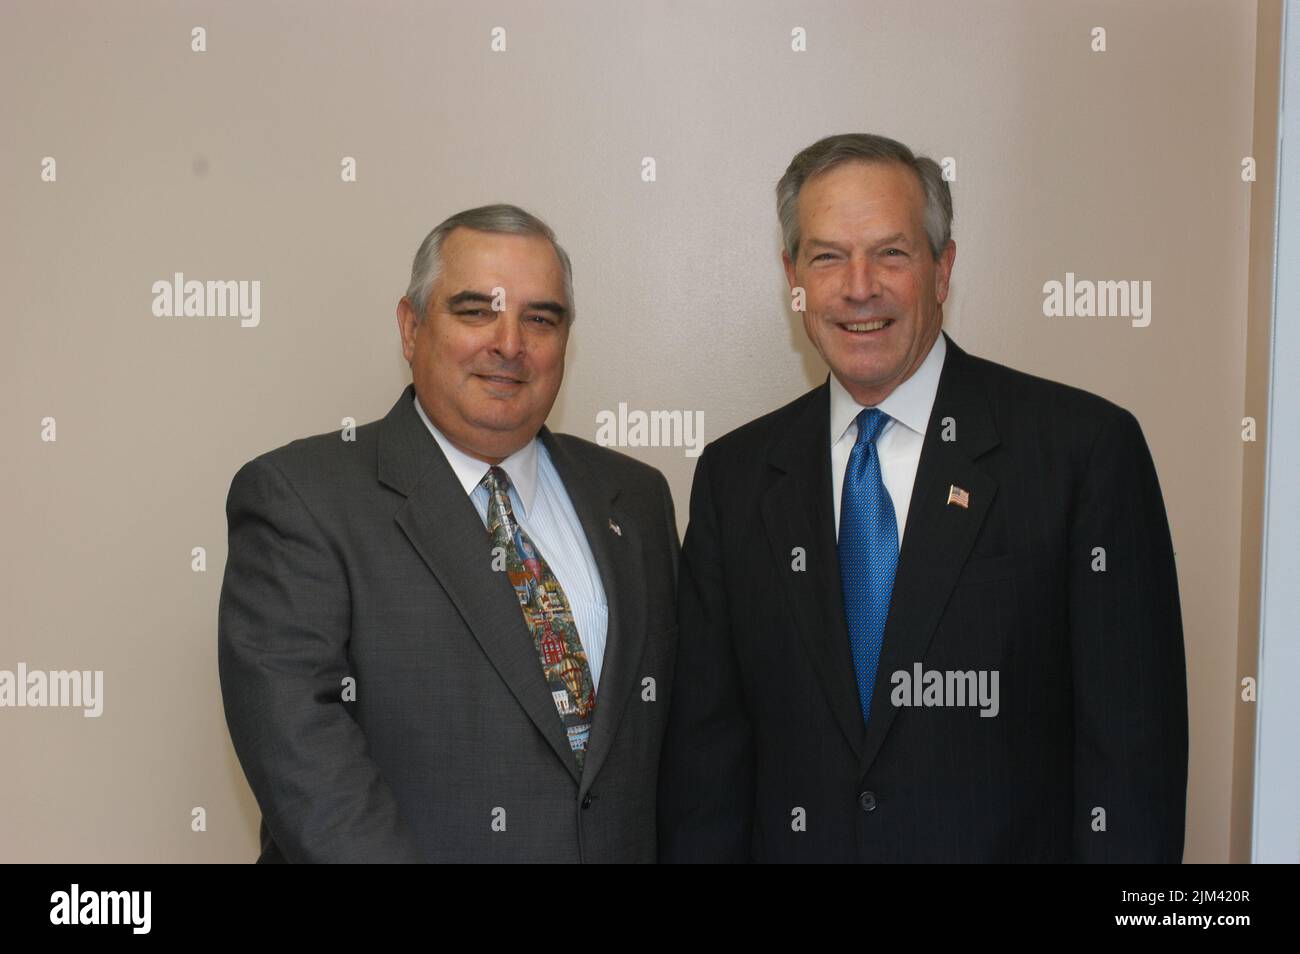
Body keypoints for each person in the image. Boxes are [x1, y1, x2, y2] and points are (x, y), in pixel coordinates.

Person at [658, 133, 1188, 862]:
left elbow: (1132, 764)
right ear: (793, 277)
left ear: (943, 269)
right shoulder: (735, 478)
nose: (859, 285)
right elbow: (706, 770)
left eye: (892, 253)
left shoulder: (1082, 453)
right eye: (827, 257)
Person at [219, 204, 679, 862]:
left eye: (540, 319)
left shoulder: (635, 499)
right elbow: (307, 768)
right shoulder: (300, 499)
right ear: (411, 328)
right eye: (475, 311)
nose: (510, 344)